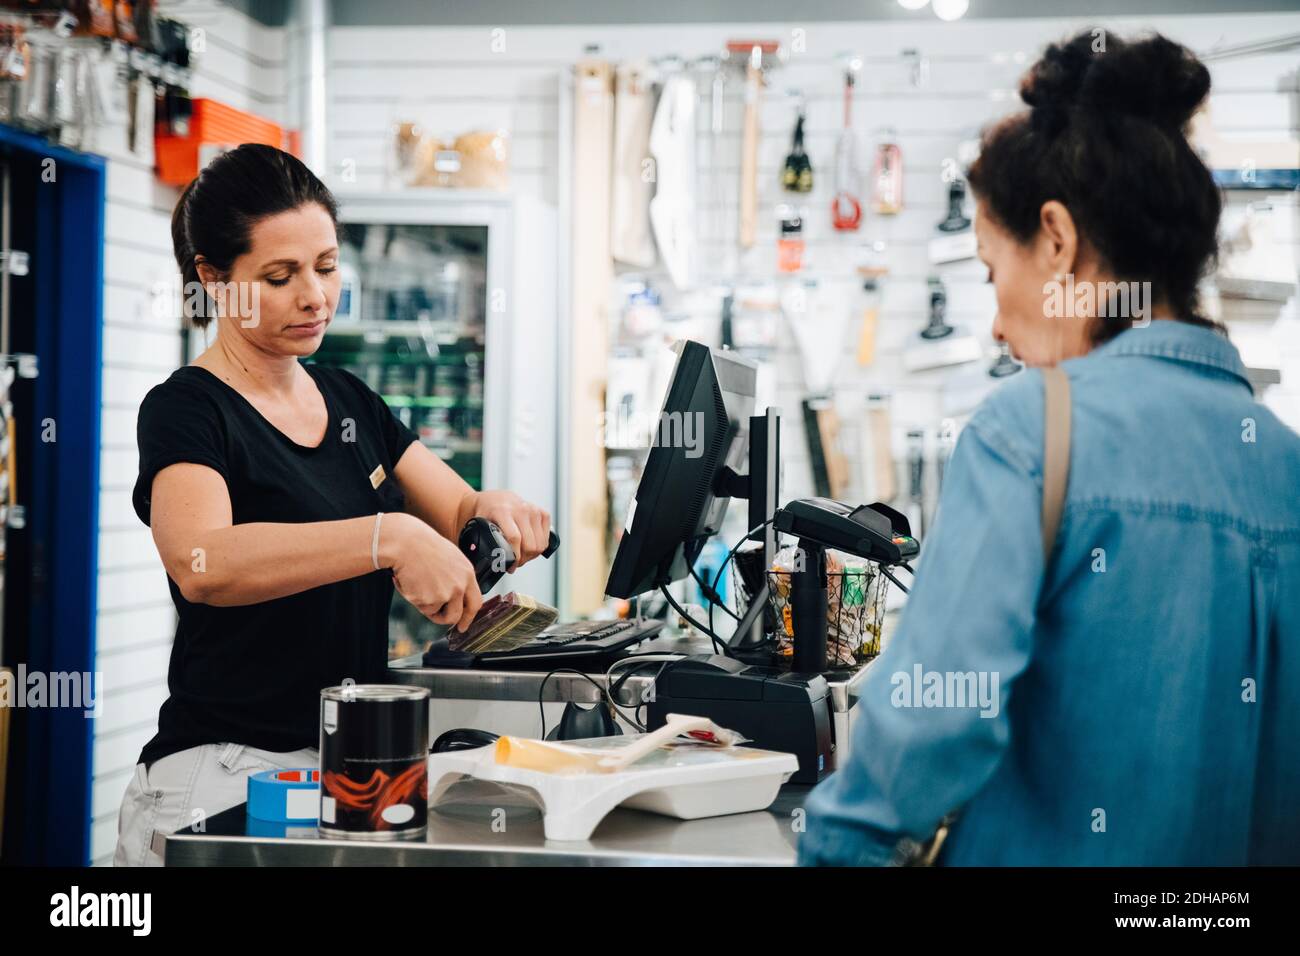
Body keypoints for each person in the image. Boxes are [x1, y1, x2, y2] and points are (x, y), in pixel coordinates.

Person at [799, 30, 1300, 865]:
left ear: (1058, 242)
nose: (996, 322)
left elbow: (932, 717)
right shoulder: (1283, 464)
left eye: (994, 271)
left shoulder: (1031, 428)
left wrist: (836, 848)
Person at [114, 144, 551, 866]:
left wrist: (497, 511)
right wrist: (387, 538)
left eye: (326, 266)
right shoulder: (188, 409)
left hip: (349, 771)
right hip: (225, 774)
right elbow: (203, 563)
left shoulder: (347, 398)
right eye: (279, 277)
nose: (315, 296)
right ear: (214, 280)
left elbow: (460, 505)